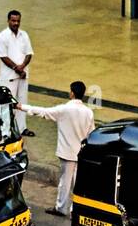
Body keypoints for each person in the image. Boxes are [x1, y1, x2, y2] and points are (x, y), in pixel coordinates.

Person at [21, 81, 95, 217]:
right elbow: (91, 133)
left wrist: (22, 107)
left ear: (72, 93)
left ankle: (61, 208)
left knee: (64, 183)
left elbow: (42, 112)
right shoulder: (88, 112)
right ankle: (75, 210)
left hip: (67, 153)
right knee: (78, 184)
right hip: (81, 153)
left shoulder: (64, 109)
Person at [0, 10, 34, 137]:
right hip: (8, 77)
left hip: (22, 76)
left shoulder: (24, 35)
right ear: (8, 21)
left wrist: (22, 67)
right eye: (13, 21)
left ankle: (22, 128)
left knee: (22, 102)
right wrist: (17, 68)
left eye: (18, 21)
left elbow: (29, 54)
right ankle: (6, 131)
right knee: (6, 104)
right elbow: (3, 56)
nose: (16, 23)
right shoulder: (2, 36)